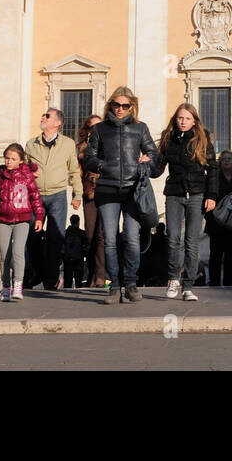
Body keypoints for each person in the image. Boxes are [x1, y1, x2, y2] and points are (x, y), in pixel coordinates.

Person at [81, 86, 157, 304]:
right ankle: (114, 285)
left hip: (133, 190)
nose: (120, 109)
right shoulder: (100, 129)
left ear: (131, 106)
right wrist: (104, 166)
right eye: (116, 104)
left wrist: (147, 159)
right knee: (110, 240)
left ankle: (131, 284)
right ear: (110, 106)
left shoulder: (140, 128)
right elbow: (89, 158)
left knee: (132, 239)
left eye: (125, 105)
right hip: (107, 190)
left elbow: (153, 153)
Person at [152, 102, 215, 302]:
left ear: (194, 120)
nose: (183, 121)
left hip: (196, 194)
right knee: (172, 238)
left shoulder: (202, 139)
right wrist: (148, 162)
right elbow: (158, 170)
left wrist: (212, 196)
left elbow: (213, 169)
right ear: (175, 119)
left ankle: (188, 285)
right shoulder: (168, 138)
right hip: (174, 193)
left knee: (191, 241)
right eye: (180, 118)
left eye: (187, 118)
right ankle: (173, 279)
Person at [24, 107, 81, 291]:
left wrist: (77, 194)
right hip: (35, 195)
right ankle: (36, 272)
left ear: (58, 123)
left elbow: (74, 170)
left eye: (47, 116)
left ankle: (51, 279)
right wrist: (30, 172)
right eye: (43, 114)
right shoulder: (31, 144)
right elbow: (23, 169)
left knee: (55, 238)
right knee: (32, 236)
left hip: (57, 195)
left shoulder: (68, 144)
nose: (43, 117)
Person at [0, 143, 45, 302]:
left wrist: (39, 217)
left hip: (22, 219)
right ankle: (6, 287)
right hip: (3, 219)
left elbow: (35, 197)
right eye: (7, 158)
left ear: (21, 161)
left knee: (18, 251)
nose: (8, 161)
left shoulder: (27, 175)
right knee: (5, 255)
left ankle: (18, 284)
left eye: (13, 159)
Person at [205, 150, 232, 287]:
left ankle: (230, 283)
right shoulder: (213, 179)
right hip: (216, 223)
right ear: (220, 162)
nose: (226, 161)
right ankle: (214, 283)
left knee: (231, 256)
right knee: (215, 256)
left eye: (229, 158)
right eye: (223, 158)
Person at [76, 114, 106, 288]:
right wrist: (76, 194)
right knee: (90, 235)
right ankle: (93, 272)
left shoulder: (108, 145)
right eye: (92, 127)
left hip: (108, 192)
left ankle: (101, 275)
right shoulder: (81, 148)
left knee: (103, 235)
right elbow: (77, 172)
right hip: (89, 194)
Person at [63, 214, 86, 288]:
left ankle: (67, 288)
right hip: (79, 257)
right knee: (78, 278)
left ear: (70, 221)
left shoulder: (66, 232)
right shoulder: (82, 233)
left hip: (67, 257)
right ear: (78, 221)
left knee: (68, 277)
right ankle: (78, 287)